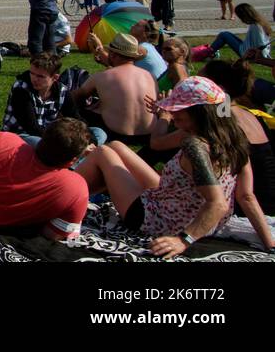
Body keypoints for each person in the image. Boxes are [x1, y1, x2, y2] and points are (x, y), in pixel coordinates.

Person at [76, 77, 274, 257]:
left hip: (161, 221)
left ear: (198, 111)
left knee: (102, 152)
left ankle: (64, 194)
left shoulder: (195, 146)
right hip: (182, 206)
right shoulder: (234, 139)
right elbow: (246, 196)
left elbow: (218, 203)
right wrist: (269, 244)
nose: (172, 112)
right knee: (116, 147)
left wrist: (183, 240)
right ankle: (79, 192)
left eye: (178, 108)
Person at [198, 59, 275, 215]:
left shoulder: (222, 122)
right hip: (267, 199)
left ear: (215, 88)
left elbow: (158, 144)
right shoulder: (249, 114)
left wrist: (164, 117)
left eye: (199, 83)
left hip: (254, 208)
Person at [2, 52, 106, 146]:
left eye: (40, 76)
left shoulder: (62, 92)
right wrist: (60, 140)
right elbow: (31, 127)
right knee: (39, 143)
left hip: (51, 134)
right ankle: (77, 158)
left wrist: (91, 140)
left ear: (55, 78)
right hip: (20, 135)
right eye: (32, 73)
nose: (34, 79)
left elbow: (75, 117)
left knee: (98, 133)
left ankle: (76, 155)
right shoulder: (21, 89)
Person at [71, 33, 157, 145]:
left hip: (117, 134)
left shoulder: (103, 76)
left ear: (112, 54)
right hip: (148, 133)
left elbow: (74, 97)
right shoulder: (150, 76)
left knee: (74, 107)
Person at [206, 2, 271, 60]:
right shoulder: (260, 22)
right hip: (248, 48)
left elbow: (261, 44)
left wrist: (262, 57)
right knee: (225, 33)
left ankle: (207, 54)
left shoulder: (255, 26)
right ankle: (210, 52)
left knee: (223, 35)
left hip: (247, 53)